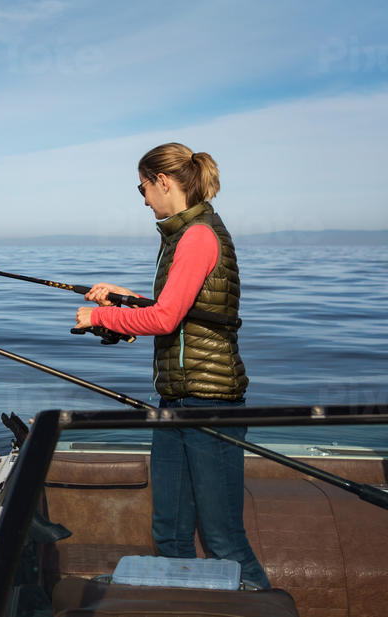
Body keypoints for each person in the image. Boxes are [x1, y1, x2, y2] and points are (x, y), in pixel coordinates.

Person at [73, 142, 271, 590]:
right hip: (178, 399)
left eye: (141, 187)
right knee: (170, 533)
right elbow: (179, 311)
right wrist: (124, 298)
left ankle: (266, 604)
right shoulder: (182, 235)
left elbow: (165, 318)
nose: (142, 199)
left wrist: (102, 316)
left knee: (224, 540)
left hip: (209, 402)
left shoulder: (199, 235)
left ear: (163, 182)